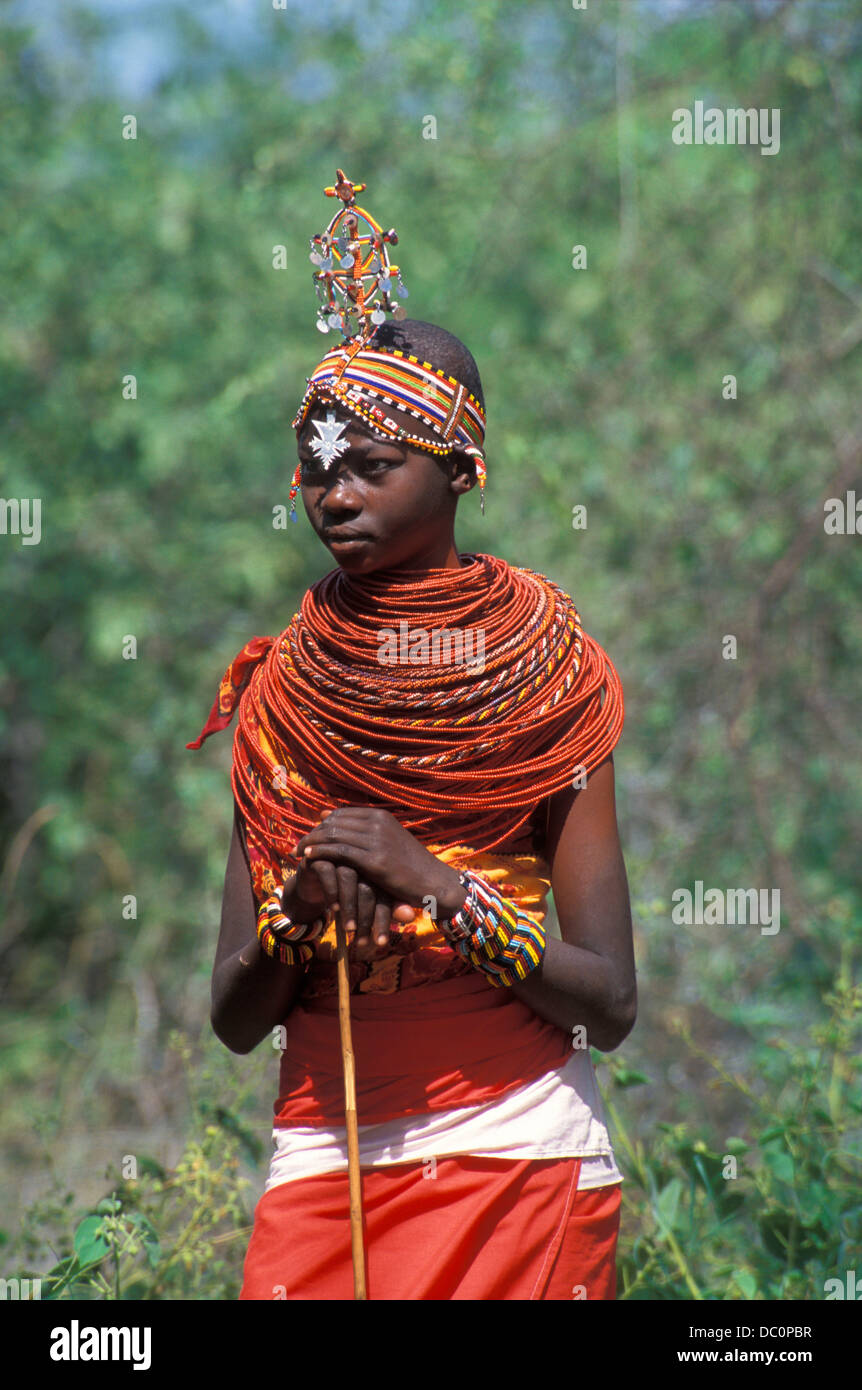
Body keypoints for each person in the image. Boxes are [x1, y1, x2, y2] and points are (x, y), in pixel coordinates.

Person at [187, 174, 636, 1301]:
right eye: (316, 473)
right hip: (320, 1156)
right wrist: (298, 929)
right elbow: (234, 1020)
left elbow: (612, 1003)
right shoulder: (283, 695)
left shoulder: (549, 674)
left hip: (516, 1152)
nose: (336, 496)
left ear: (460, 468)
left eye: (371, 467)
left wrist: (433, 884)